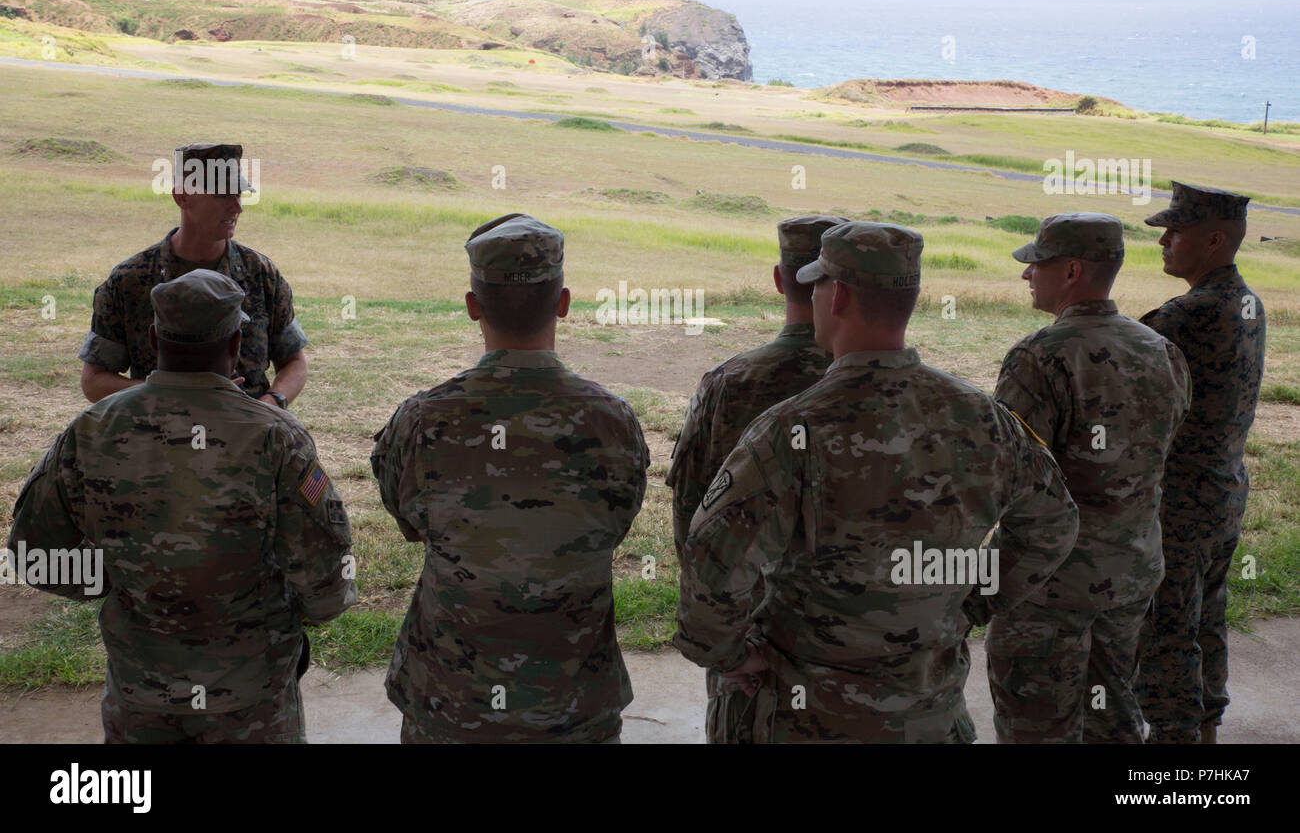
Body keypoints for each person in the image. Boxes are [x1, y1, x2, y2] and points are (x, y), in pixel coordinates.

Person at [674, 221, 1079, 743]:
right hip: (928, 716)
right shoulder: (983, 418)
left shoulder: (789, 430)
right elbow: (1054, 524)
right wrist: (975, 603)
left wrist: (730, 654)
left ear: (835, 294)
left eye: (817, 284)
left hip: (805, 718)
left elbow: (711, 565)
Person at [7, 269, 356, 743]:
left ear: (154, 337)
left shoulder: (92, 430)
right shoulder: (275, 436)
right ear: (235, 342)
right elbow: (327, 573)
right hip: (253, 695)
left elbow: (35, 555)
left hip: (142, 692)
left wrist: (113, 583)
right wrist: (299, 614)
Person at [371, 213, 650, 743]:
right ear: (563, 303)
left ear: (473, 305)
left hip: (452, 701)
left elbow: (408, 517)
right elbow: (616, 521)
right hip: (573, 702)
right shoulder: (612, 420)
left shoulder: (424, 420)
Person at [988, 212, 1190, 743]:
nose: (1027, 274)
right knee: (1113, 715)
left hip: (1050, 586)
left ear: (1072, 270)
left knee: (1037, 725)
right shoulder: (1160, 349)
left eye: (1038, 264)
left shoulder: (1041, 356)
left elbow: (1005, 480)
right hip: (1131, 571)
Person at [667, 214, 844, 744]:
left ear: (777, 278)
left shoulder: (730, 384)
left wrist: (725, 644)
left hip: (757, 651)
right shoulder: (911, 392)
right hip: (875, 643)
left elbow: (692, 525)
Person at [1134, 182, 1266, 744]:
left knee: (1167, 628)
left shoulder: (1185, 315)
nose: (1163, 241)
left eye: (1175, 232)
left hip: (1180, 501)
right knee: (1205, 619)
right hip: (1224, 489)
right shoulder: (1247, 302)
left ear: (1214, 240)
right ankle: (1205, 729)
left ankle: (1175, 752)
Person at [79, 142, 308, 409]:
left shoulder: (261, 274)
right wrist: (170, 392)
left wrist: (269, 405)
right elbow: (94, 381)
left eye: (238, 194)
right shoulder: (130, 280)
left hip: (246, 441)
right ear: (181, 197)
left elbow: (294, 361)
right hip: (163, 440)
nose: (237, 207)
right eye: (222, 196)